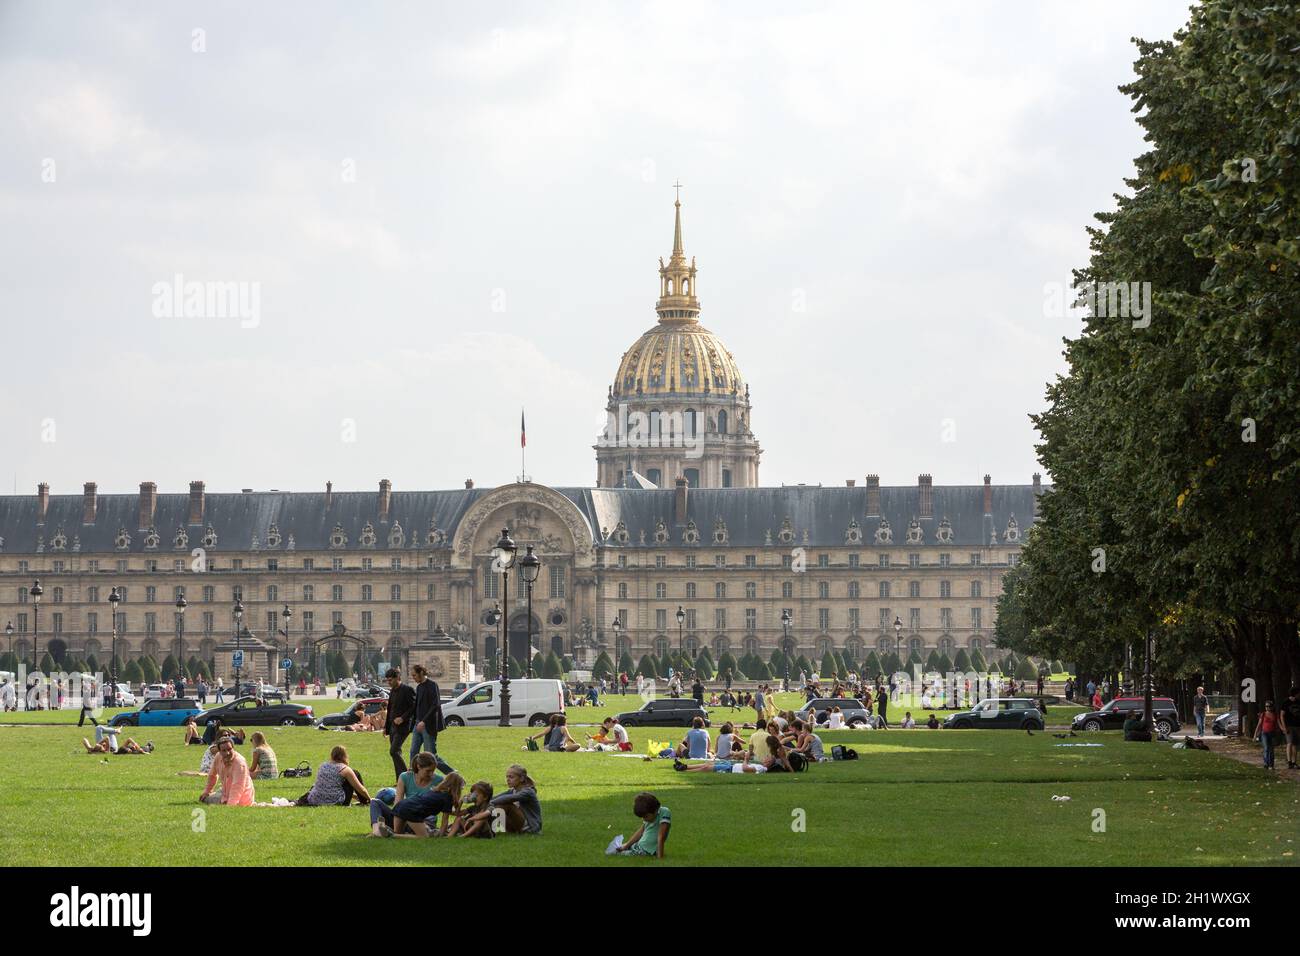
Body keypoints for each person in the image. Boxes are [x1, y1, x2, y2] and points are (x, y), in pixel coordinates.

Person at [369, 752, 441, 836]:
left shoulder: (439, 781)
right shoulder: (405, 777)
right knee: (375, 802)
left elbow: (445, 804)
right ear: (418, 766)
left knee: (409, 815)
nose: (431, 774)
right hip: (404, 816)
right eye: (428, 771)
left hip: (425, 820)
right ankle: (377, 831)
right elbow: (397, 805)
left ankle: (391, 832)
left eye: (433, 770)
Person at [465, 764, 541, 835]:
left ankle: (480, 828)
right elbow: (495, 798)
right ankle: (472, 825)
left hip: (531, 828)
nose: (508, 780)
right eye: (507, 777)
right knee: (496, 804)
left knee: (506, 805)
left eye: (511, 777)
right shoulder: (512, 790)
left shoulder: (528, 792)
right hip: (514, 827)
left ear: (521, 778)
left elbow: (507, 798)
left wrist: (488, 805)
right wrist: (480, 799)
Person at [409, 663, 451, 773]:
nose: (413, 678)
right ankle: (413, 776)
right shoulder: (419, 687)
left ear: (421, 673)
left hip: (428, 725)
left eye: (414, 675)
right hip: (418, 724)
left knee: (431, 756)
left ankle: (453, 774)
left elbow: (435, 705)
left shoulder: (432, 685)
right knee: (413, 752)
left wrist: (424, 721)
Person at [298, 745, 370, 805]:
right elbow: (361, 789)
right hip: (335, 801)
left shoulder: (322, 765)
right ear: (345, 756)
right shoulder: (345, 769)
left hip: (316, 799)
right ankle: (364, 802)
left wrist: (354, 796)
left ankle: (363, 801)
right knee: (355, 773)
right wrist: (370, 799)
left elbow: (327, 787)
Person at [613, 792, 670, 858]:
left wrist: (660, 857)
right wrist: (626, 846)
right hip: (640, 846)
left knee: (618, 854)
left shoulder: (665, 812)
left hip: (645, 850)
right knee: (617, 849)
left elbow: (661, 836)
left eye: (645, 816)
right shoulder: (650, 816)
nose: (644, 819)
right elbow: (640, 832)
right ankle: (626, 847)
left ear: (655, 810)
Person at [200, 735, 254, 805]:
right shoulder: (218, 757)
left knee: (207, 800)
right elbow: (212, 775)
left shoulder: (239, 763)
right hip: (226, 791)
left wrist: (231, 805)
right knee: (204, 797)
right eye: (224, 751)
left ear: (233, 748)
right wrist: (207, 792)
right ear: (219, 751)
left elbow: (238, 786)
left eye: (229, 749)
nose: (227, 753)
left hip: (241, 798)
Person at [382, 668, 415, 779]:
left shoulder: (407, 690)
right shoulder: (392, 691)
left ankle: (406, 777)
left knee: (394, 751)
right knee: (396, 752)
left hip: (404, 726)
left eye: (391, 680)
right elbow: (390, 709)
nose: (389, 682)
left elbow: (413, 707)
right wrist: (386, 727)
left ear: (398, 678)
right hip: (392, 726)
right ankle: (399, 779)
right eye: (388, 680)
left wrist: (402, 718)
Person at [1254, 701, 1280, 770]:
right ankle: (1266, 764)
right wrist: (1255, 735)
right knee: (1266, 748)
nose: (1267, 708)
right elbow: (1259, 725)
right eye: (1266, 706)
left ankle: (1271, 765)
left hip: (1272, 733)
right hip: (1264, 733)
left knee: (1271, 749)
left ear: (1272, 707)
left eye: (1269, 706)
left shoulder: (1275, 715)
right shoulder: (1263, 714)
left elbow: (1278, 723)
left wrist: (1283, 729)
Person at [1281, 686, 1300, 770]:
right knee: (1290, 743)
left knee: (1295, 744)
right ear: (1295, 694)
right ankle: (1289, 762)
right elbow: (1281, 715)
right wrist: (1284, 727)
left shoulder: (1299, 702)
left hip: (1297, 726)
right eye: (1298, 693)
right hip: (1289, 726)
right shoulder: (1286, 702)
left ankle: (1294, 762)